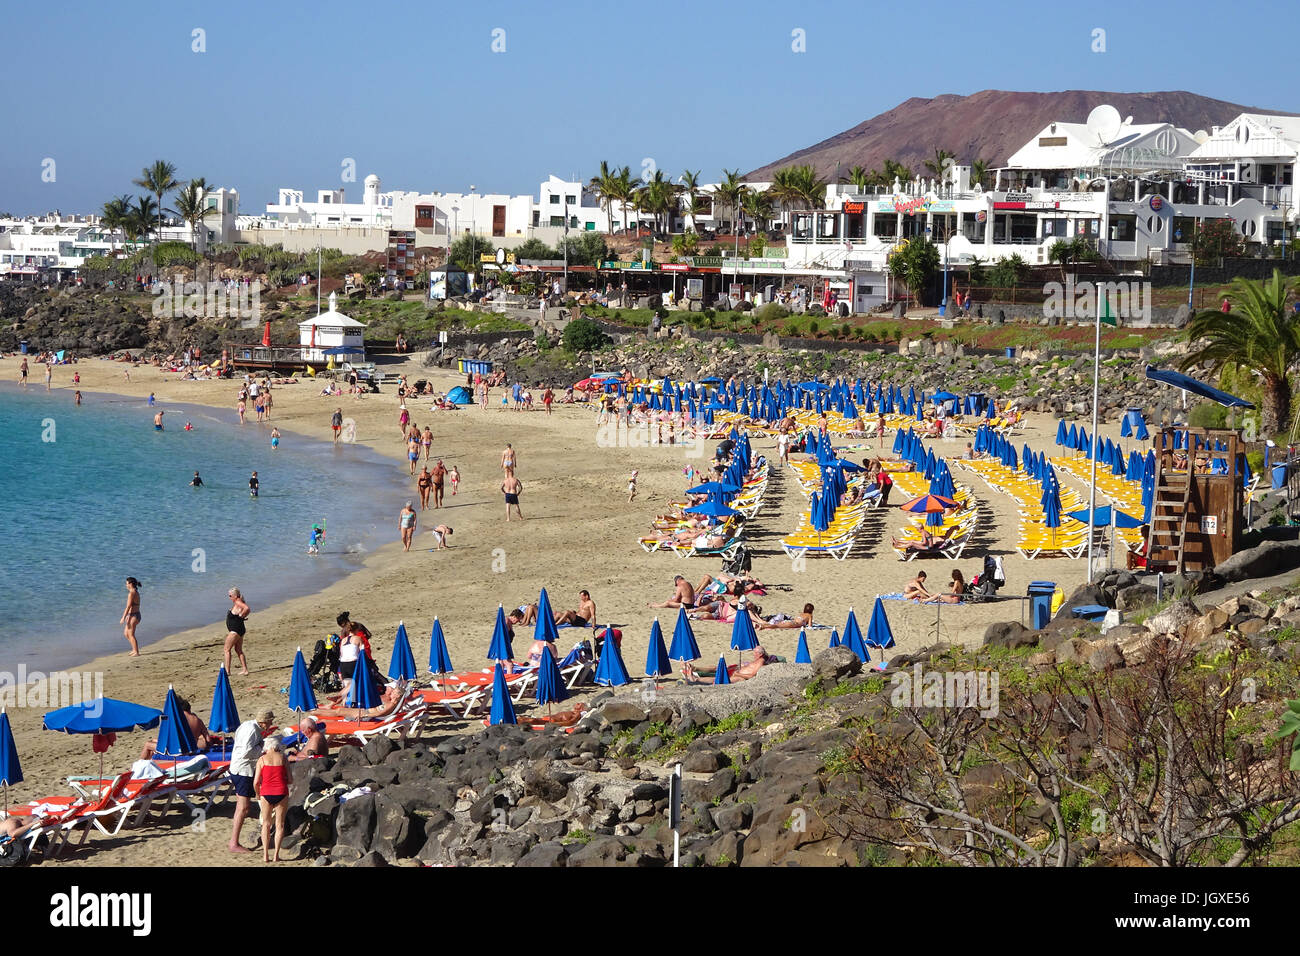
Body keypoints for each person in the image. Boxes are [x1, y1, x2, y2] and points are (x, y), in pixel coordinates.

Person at [228, 710, 276, 853]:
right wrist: (262, 749)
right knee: (243, 808)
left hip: (236, 768)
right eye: (270, 721)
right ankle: (234, 843)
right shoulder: (252, 731)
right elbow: (247, 753)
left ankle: (233, 842)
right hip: (243, 771)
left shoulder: (247, 725)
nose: (271, 724)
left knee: (241, 807)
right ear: (264, 722)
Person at [255, 735, 290, 862]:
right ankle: (276, 855)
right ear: (277, 747)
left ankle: (265, 855)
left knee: (266, 824)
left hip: (266, 792)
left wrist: (258, 794)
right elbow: (290, 779)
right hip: (281, 792)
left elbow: (256, 782)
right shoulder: (283, 758)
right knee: (280, 825)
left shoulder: (262, 759)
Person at [682, 647, 768, 683]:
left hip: (740, 677)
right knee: (718, 668)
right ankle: (695, 668)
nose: (753, 654)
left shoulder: (760, 662)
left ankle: (696, 679)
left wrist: (738, 674)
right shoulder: (757, 660)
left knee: (717, 678)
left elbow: (752, 675)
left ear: (760, 654)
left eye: (755, 653)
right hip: (736, 671)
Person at [225, 587, 251, 674]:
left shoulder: (238, 601)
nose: (229, 597)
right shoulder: (240, 601)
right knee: (238, 649)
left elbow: (247, 608)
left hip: (235, 630)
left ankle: (227, 671)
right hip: (240, 629)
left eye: (230, 596)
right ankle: (245, 670)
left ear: (235, 596)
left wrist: (242, 615)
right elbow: (242, 611)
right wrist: (242, 617)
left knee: (226, 649)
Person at [120, 577, 142, 656]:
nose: (126, 585)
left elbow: (128, 606)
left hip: (134, 616)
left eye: (127, 583)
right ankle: (134, 649)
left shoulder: (132, 593)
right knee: (126, 633)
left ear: (131, 584)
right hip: (133, 615)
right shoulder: (134, 591)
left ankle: (136, 652)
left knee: (131, 634)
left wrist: (123, 617)